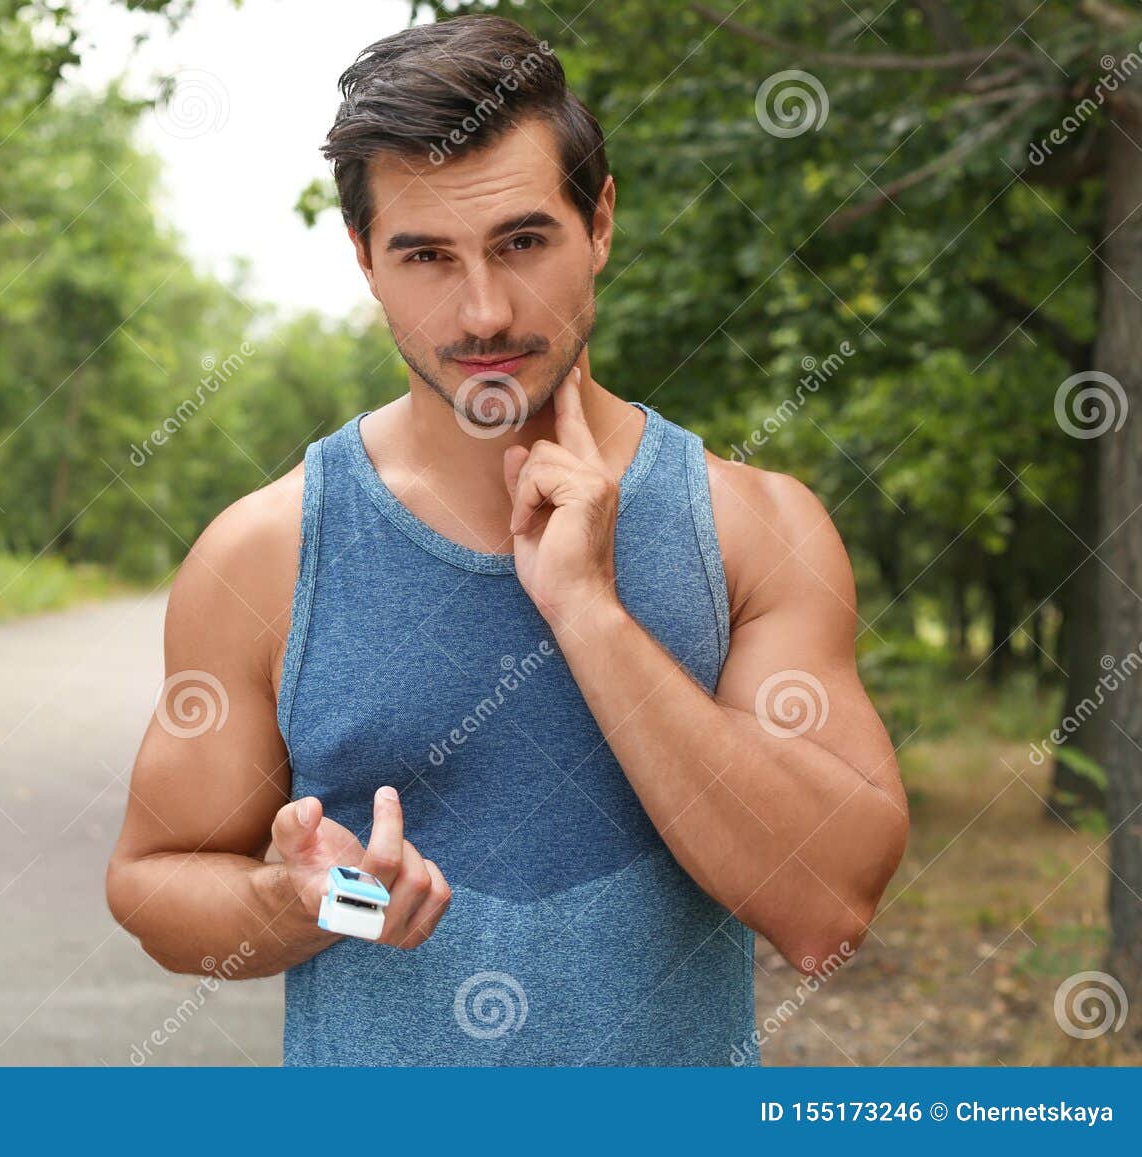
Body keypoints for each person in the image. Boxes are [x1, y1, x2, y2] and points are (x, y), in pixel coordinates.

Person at [105, 13, 908, 1066]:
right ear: (364, 258)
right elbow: (153, 878)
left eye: (522, 242)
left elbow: (827, 905)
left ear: (601, 224)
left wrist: (587, 609)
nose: (483, 311)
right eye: (427, 255)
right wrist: (307, 900)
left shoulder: (754, 528)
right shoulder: (265, 551)